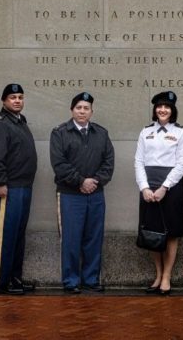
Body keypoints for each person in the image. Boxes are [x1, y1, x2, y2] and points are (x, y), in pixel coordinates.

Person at [50, 92, 115, 294]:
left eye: (86, 108)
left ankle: (90, 279)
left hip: (95, 194)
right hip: (70, 195)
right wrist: (80, 181)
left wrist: (94, 182)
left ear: (91, 112)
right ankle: (71, 281)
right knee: (71, 239)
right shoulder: (60, 133)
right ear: (72, 110)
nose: (82, 111)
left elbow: (109, 162)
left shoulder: (101, 133)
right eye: (78, 108)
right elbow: (59, 164)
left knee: (93, 238)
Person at [135, 91, 183, 296]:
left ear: (173, 110)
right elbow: (139, 161)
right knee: (152, 231)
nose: (163, 110)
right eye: (159, 106)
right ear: (155, 109)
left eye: (167, 106)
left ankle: (167, 276)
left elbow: (182, 164)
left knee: (170, 233)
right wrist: (144, 187)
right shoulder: (145, 131)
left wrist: (164, 187)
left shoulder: (181, 132)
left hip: (172, 187)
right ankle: (157, 275)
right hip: (149, 186)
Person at [0, 84, 38, 295]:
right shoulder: (0, 124)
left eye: (20, 97)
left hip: (22, 187)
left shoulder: (19, 122)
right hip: (7, 189)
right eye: (13, 97)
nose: (17, 101)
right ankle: (2, 281)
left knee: (17, 236)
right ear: (4, 101)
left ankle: (15, 278)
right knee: (4, 237)